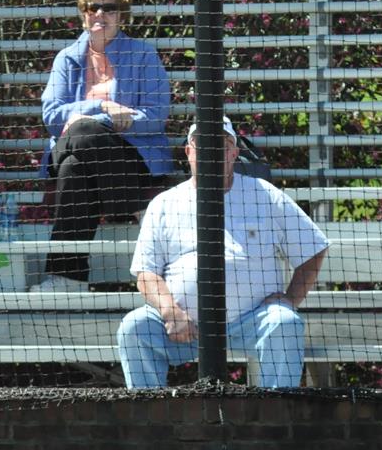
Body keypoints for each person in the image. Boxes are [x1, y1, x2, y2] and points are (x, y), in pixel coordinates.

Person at [117, 117, 329, 388]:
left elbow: (313, 248)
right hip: (186, 324)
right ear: (188, 152)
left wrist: (290, 298)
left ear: (233, 153)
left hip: (253, 321)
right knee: (135, 328)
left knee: (285, 321)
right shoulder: (164, 203)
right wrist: (170, 312)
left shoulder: (265, 195)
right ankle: (150, 424)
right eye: (201, 144)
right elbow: (146, 274)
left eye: (222, 144)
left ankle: (276, 418)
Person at [31, 0, 173, 292]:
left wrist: (92, 117)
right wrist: (106, 108)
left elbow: (156, 115)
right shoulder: (66, 59)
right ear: (83, 13)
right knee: (80, 133)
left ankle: (66, 278)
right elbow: (53, 117)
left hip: (129, 157)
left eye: (109, 8)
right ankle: (135, 208)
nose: (99, 14)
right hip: (85, 149)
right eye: (92, 7)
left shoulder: (143, 55)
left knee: (74, 166)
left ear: (122, 16)